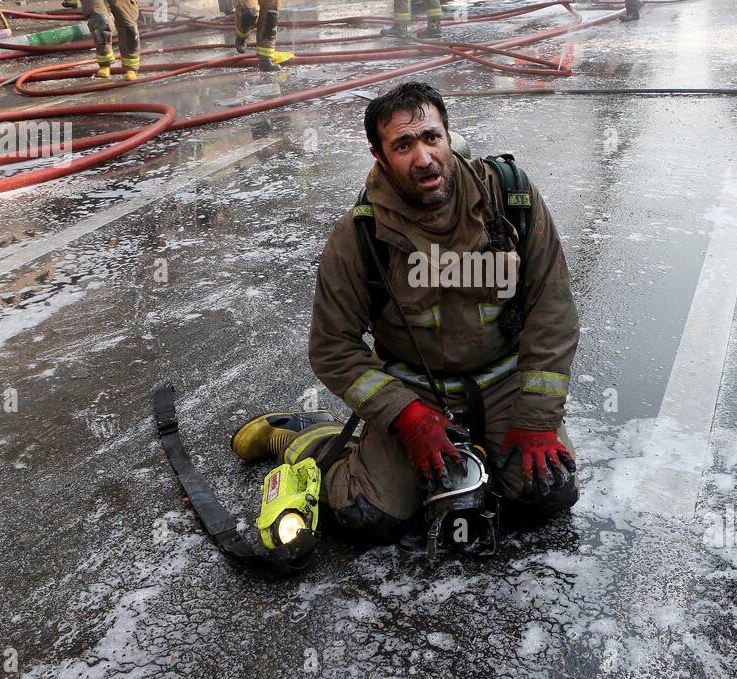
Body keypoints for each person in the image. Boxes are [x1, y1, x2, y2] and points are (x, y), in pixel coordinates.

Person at [231, 82, 580, 546]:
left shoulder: (511, 199)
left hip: (503, 387)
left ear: (448, 136)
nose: (423, 158)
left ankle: (478, 459)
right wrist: (407, 417)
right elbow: (333, 347)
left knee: (546, 494)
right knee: (369, 518)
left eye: (432, 138)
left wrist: (536, 419)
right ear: (379, 156)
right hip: (414, 393)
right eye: (403, 145)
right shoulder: (360, 235)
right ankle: (309, 440)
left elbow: (551, 307)